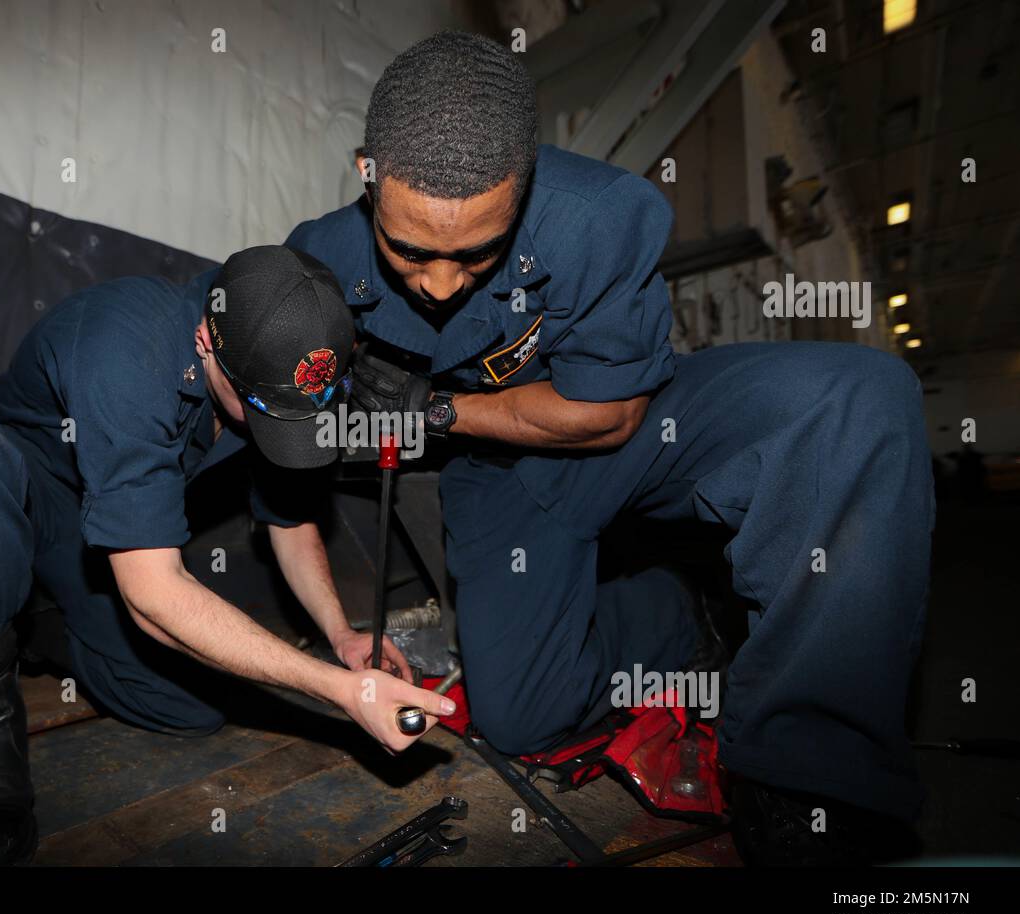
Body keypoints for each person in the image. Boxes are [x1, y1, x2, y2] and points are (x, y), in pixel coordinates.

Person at [286, 31, 933, 865]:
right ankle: (671, 616)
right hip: (498, 480)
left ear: (524, 184)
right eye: (411, 250)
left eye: (474, 252)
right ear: (366, 170)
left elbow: (610, 417)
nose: (440, 284)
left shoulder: (601, 215)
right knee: (524, 718)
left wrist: (434, 409)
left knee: (860, 399)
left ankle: (806, 779)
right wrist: (346, 390)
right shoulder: (320, 257)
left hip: (621, 433)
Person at [0, 245, 453, 865]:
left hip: (98, 539)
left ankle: (9, 628)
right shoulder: (127, 344)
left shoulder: (271, 353)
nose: (276, 435)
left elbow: (290, 519)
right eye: (266, 413)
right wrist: (340, 691)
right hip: (21, 501)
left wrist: (342, 636)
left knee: (190, 710)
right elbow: (156, 597)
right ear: (205, 341)